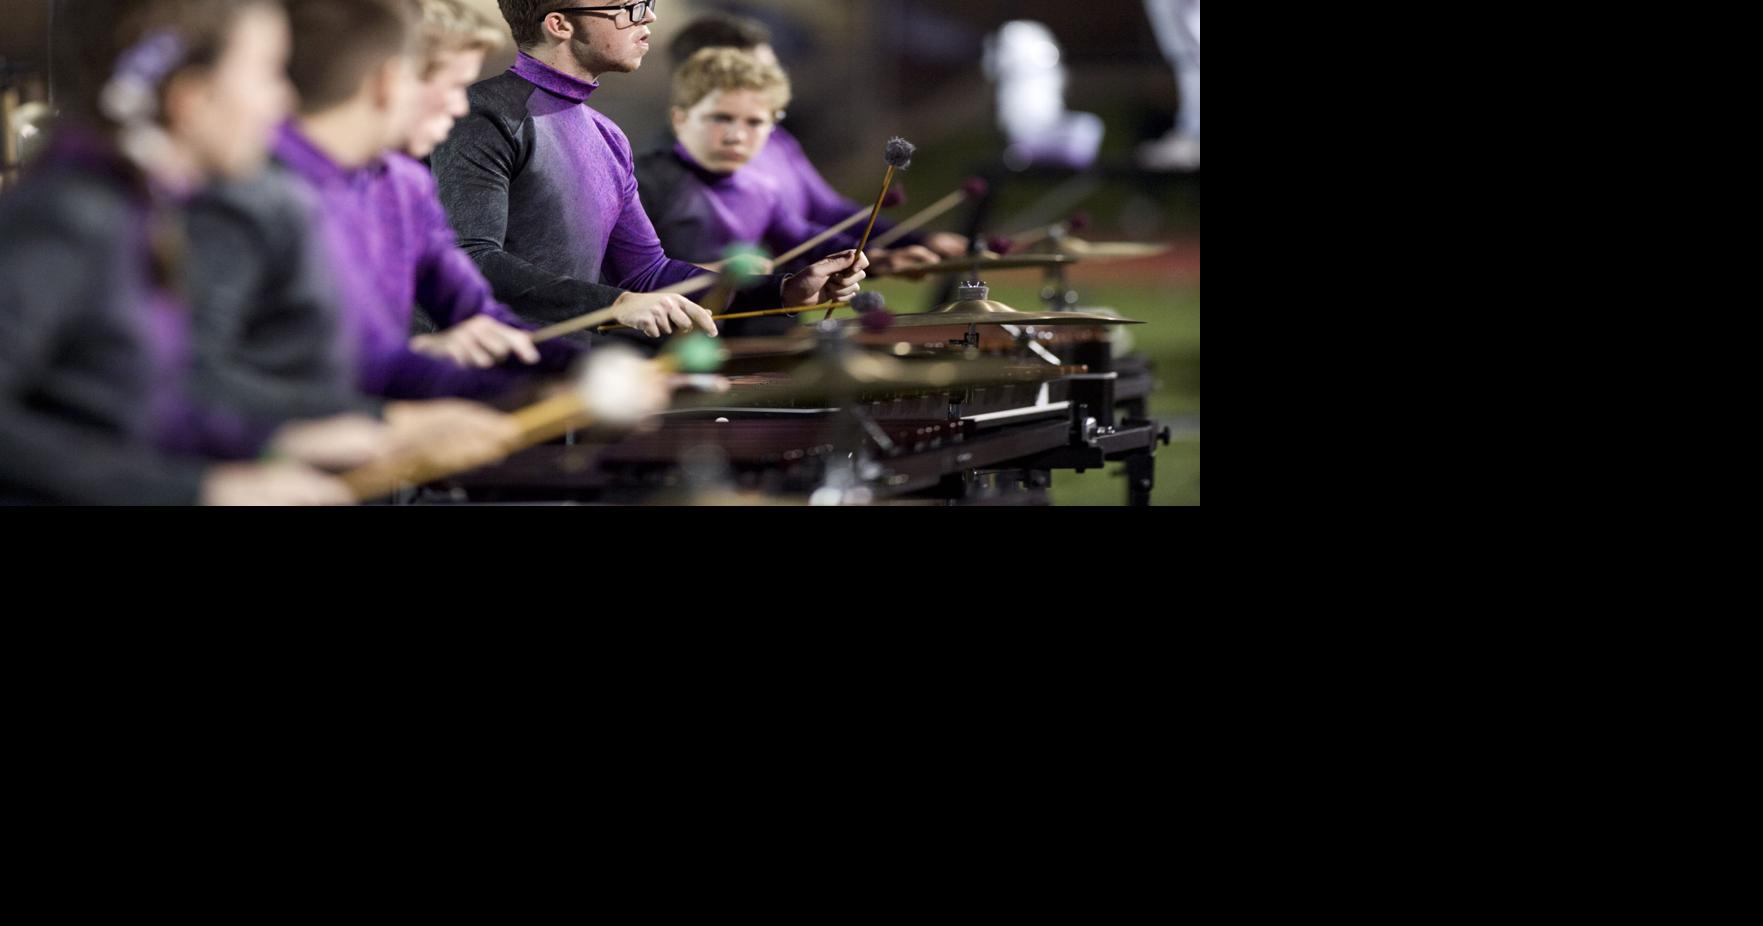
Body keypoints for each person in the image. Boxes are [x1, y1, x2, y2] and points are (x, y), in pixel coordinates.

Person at [1, 0, 371, 504]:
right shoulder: (73, 216)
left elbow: (152, 398)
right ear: (190, 98)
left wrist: (291, 436)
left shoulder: (143, 208)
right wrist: (204, 489)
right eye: (267, 72)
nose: (282, 101)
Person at [430, 0, 868, 343]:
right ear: (559, 25)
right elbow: (472, 259)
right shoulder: (484, 116)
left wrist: (784, 290)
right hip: (483, 384)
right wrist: (616, 303)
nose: (650, 16)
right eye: (627, 8)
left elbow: (648, 273)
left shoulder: (608, 136)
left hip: (567, 379)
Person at [664, 13, 964, 267]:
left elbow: (824, 215)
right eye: (756, 71)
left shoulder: (776, 141)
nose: (775, 81)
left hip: (782, 313)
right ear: (699, 74)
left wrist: (911, 242)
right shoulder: (669, 168)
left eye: (773, 68)